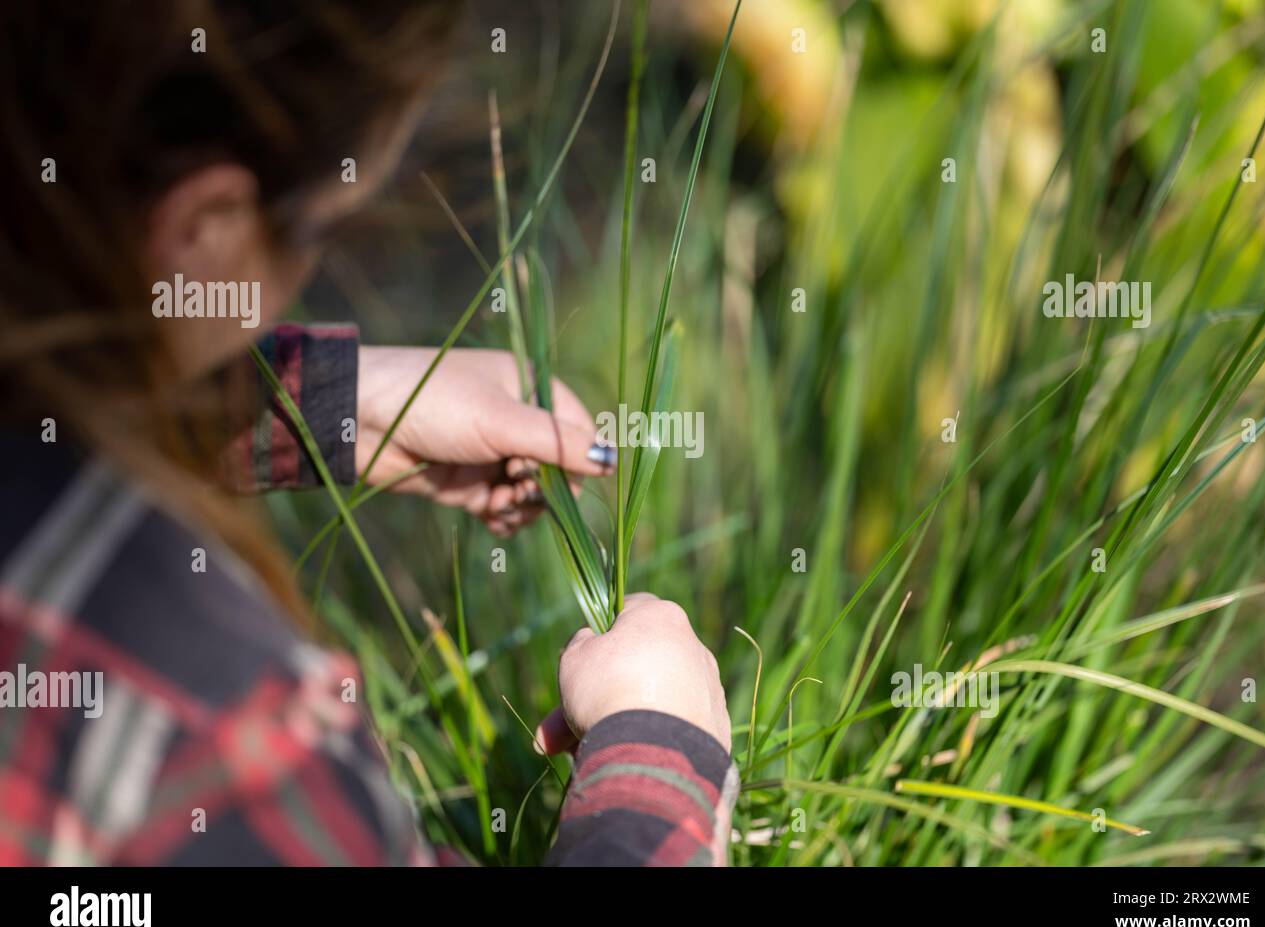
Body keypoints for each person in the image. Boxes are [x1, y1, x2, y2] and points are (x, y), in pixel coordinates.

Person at [0, 0, 735, 866]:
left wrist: (336, 404)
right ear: (202, 230)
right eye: (320, 228)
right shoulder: (225, 748)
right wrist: (659, 758)